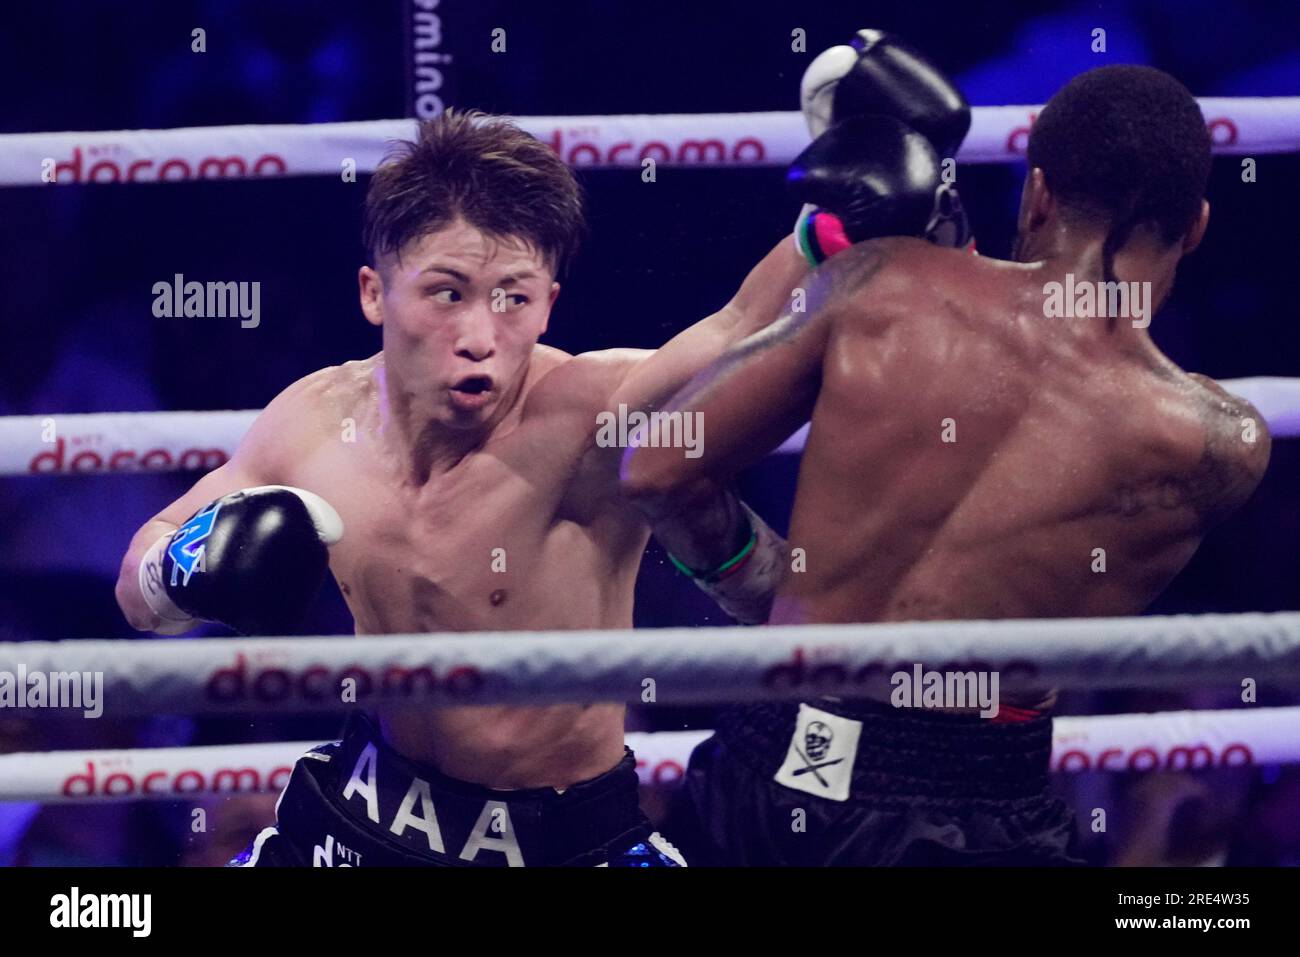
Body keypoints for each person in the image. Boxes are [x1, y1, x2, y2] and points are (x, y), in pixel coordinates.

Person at [114, 109, 808, 867]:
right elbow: (137, 593)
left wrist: (830, 226)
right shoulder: (314, 423)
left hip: (564, 842)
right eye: (448, 293)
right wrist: (186, 566)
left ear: (549, 300)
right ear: (375, 294)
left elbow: (738, 328)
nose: (481, 333)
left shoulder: (592, 417)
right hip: (361, 816)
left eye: (513, 297)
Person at [621, 62, 1271, 865]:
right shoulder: (1221, 443)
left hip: (772, 758)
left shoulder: (882, 282)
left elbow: (656, 468)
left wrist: (768, 587)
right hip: (973, 811)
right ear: (1198, 225)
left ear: (1037, 193)